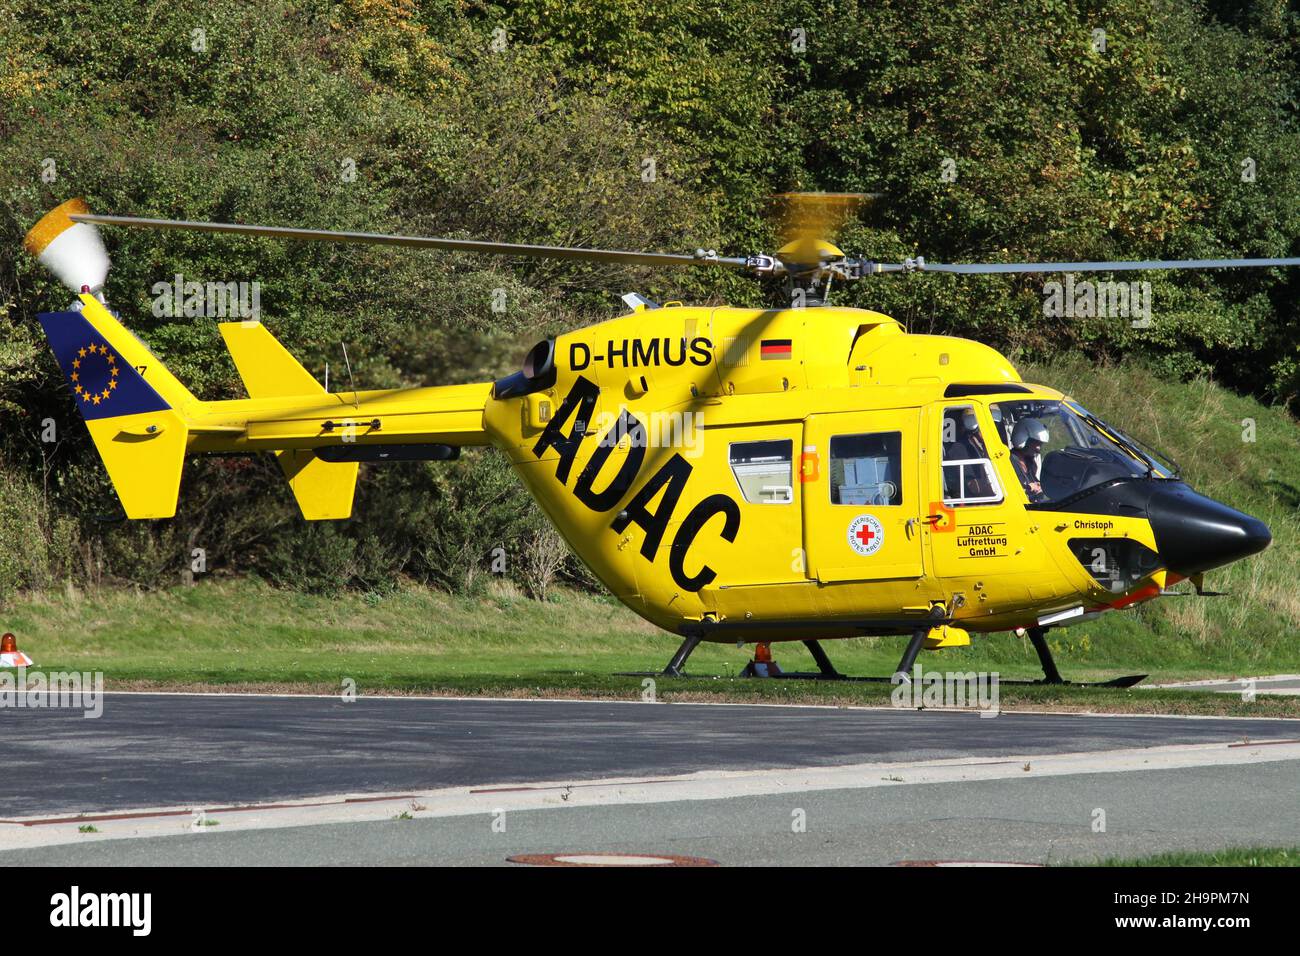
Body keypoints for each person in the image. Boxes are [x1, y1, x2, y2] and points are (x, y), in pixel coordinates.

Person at [1010, 417, 1049, 502]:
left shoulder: (1030, 462)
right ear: (1023, 438)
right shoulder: (1008, 461)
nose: (1038, 449)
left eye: (1040, 444)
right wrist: (1028, 489)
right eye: (1036, 443)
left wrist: (1038, 486)